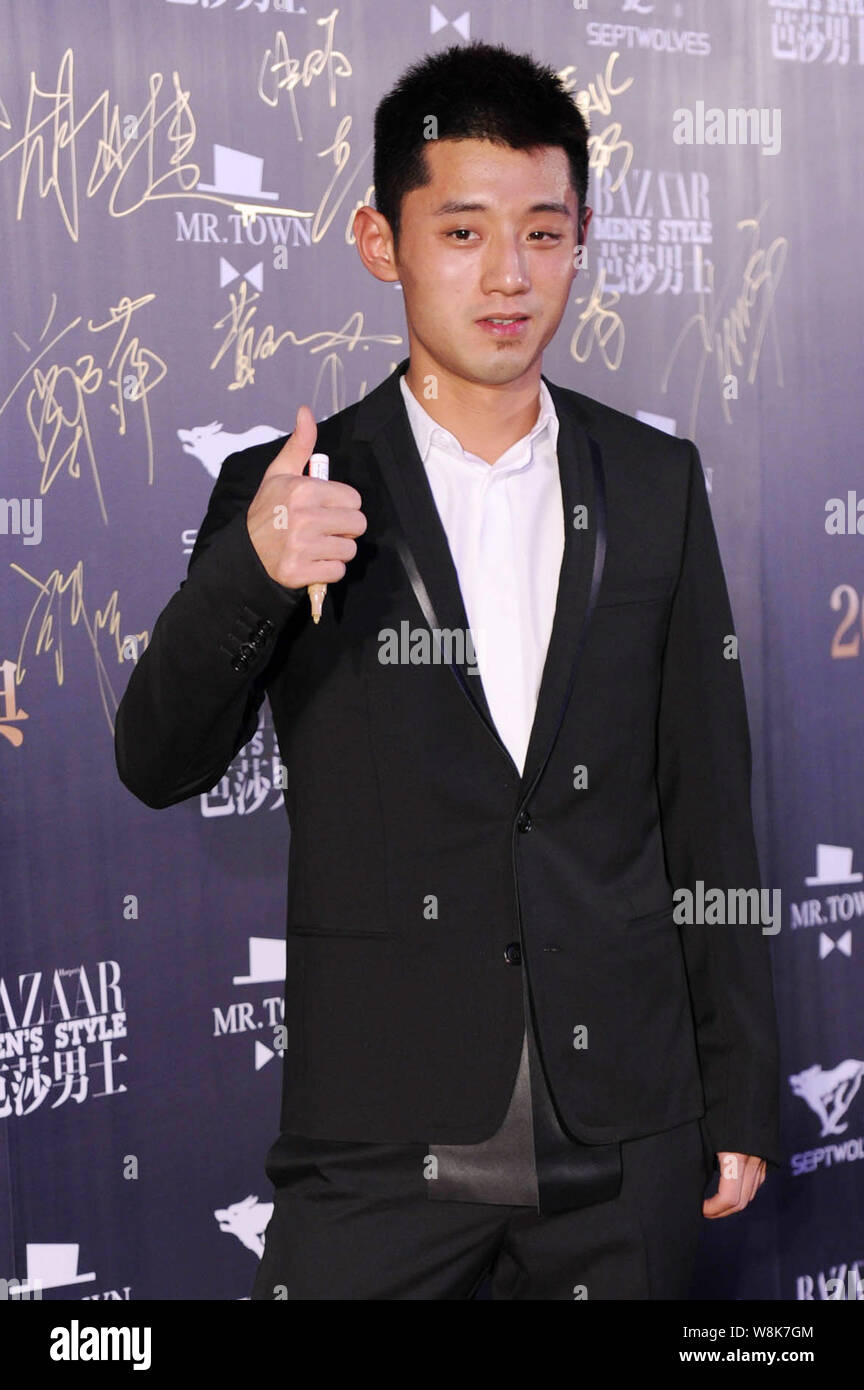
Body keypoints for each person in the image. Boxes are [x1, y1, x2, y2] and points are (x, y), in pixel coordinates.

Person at [115, 40, 781, 1300]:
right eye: (464, 232)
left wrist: (740, 1086)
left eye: (543, 232)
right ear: (384, 242)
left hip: (624, 1145)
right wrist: (254, 571)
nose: (509, 274)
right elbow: (155, 759)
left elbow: (706, 804)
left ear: (581, 240)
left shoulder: (654, 483)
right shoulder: (293, 491)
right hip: (377, 1155)